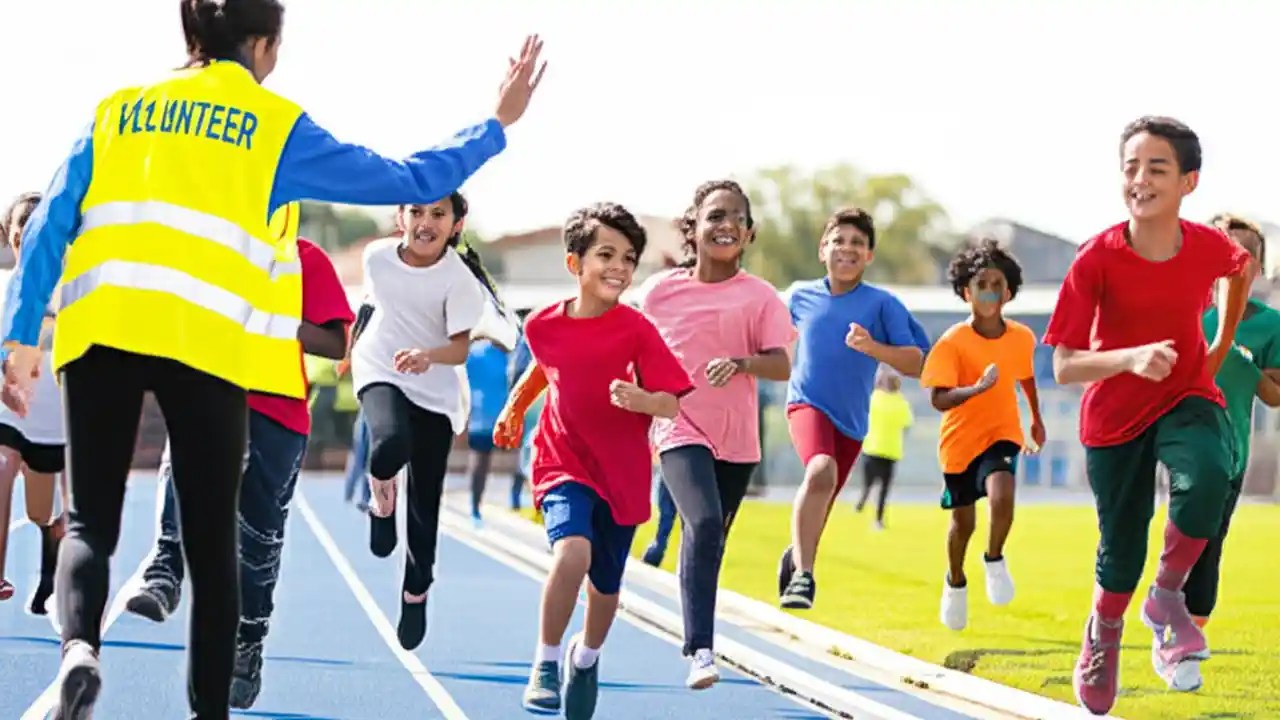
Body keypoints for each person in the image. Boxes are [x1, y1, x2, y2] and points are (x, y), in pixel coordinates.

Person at [0, 1, 547, 715]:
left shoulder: (117, 109)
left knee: (90, 526)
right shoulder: (273, 125)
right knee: (212, 542)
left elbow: (47, 224)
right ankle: (211, 709)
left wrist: (18, 341)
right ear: (265, 45)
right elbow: (409, 180)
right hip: (207, 345)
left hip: (103, 331)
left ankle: (79, 648)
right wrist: (496, 124)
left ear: (190, 34)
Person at [1041, 117, 1251, 716]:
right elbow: (1064, 366)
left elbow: (1241, 268)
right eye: (1130, 167)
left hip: (1187, 394)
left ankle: (1165, 599)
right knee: (1122, 547)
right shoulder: (1096, 260)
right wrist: (1131, 358)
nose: (1139, 179)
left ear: (1189, 182)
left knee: (1210, 474)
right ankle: (1104, 634)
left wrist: (1218, 344)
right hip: (1114, 415)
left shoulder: (1207, 245)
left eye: (1156, 168)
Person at [123, 235, 352, 708]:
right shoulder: (204, 243)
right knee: (189, 447)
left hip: (280, 412)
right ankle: (167, 565)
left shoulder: (304, 257)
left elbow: (335, 342)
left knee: (259, 543)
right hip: (213, 390)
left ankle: (249, 642)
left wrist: (268, 317)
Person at [493, 202, 693, 719]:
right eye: (605, 254)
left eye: (629, 258)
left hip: (623, 474)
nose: (619, 267)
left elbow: (671, 400)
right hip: (562, 461)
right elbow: (546, 365)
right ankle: (545, 661)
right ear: (574, 263)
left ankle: (586, 657)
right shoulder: (542, 325)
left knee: (606, 587)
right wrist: (515, 406)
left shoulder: (637, 329)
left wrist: (644, 401)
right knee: (572, 553)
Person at [639, 179, 795, 688]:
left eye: (735, 218)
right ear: (695, 228)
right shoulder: (660, 294)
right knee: (702, 524)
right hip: (678, 424)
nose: (725, 225)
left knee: (708, 539)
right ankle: (701, 650)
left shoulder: (761, 297)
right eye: (714, 216)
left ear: (748, 233)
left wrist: (743, 362)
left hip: (737, 441)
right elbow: (634, 352)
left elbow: (781, 365)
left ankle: (696, 633)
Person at [350, 193, 504, 651]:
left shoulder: (460, 281)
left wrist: (426, 357)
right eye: (417, 212)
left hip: (434, 387)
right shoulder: (376, 257)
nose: (426, 222)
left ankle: (415, 591)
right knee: (388, 446)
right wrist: (349, 350)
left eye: (439, 214)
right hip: (379, 367)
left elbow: (459, 350)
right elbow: (369, 306)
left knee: (425, 507)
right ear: (401, 217)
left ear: (456, 225)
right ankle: (380, 504)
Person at [777, 208, 931, 610]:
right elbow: (756, 324)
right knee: (820, 469)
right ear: (822, 249)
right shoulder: (798, 295)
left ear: (869, 256)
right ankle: (804, 576)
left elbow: (917, 362)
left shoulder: (882, 305)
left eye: (857, 243)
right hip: (806, 404)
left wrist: (873, 348)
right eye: (838, 241)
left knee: (823, 499)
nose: (847, 249)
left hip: (852, 423)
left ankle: (795, 555)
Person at [919, 238, 1045, 631]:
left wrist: (1036, 418)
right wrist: (975, 389)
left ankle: (994, 558)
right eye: (981, 285)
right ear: (965, 292)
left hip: (1002, 431)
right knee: (962, 525)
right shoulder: (952, 343)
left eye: (996, 284)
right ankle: (955, 581)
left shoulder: (1022, 337)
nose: (989, 292)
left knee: (1003, 493)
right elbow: (938, 399)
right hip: (959, 444)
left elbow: (1025, 376)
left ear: (1008, 292)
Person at [1183, 214, 1280, 631]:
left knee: (1209, 541)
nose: (1233, 260)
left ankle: (1189, 634)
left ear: (1256, 266)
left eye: (1242, 254)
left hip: (1233, 447)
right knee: (1184, 533)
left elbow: (1274, 397)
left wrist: (1243, 363)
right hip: (1179, 441)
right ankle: (1166, 615)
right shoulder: (1184, 311)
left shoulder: (1269, 325)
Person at [0, 193, 68, 615]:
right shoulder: (4, 287)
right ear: (10, 237)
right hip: (10, 412)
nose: (26, 239)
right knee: (3, 465)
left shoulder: (70, 284)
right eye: (18, 232)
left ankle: (51, 568)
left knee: (44, 513)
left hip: (55, 420)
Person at [854, 368, 913, 530]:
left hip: (872, 448)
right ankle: (878, 520)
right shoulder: (902, 403)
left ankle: (863, 498)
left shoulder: (874, 399)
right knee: (884, 489)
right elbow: (907, 424)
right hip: (891, 450)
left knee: (868, 482)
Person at [465, 332, 511, 526]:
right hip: (498, 414)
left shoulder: (472, 353)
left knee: (479, 460)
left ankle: (475, 505)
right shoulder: (505, 356)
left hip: (477, 413)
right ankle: (479, 505)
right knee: (485, 462)